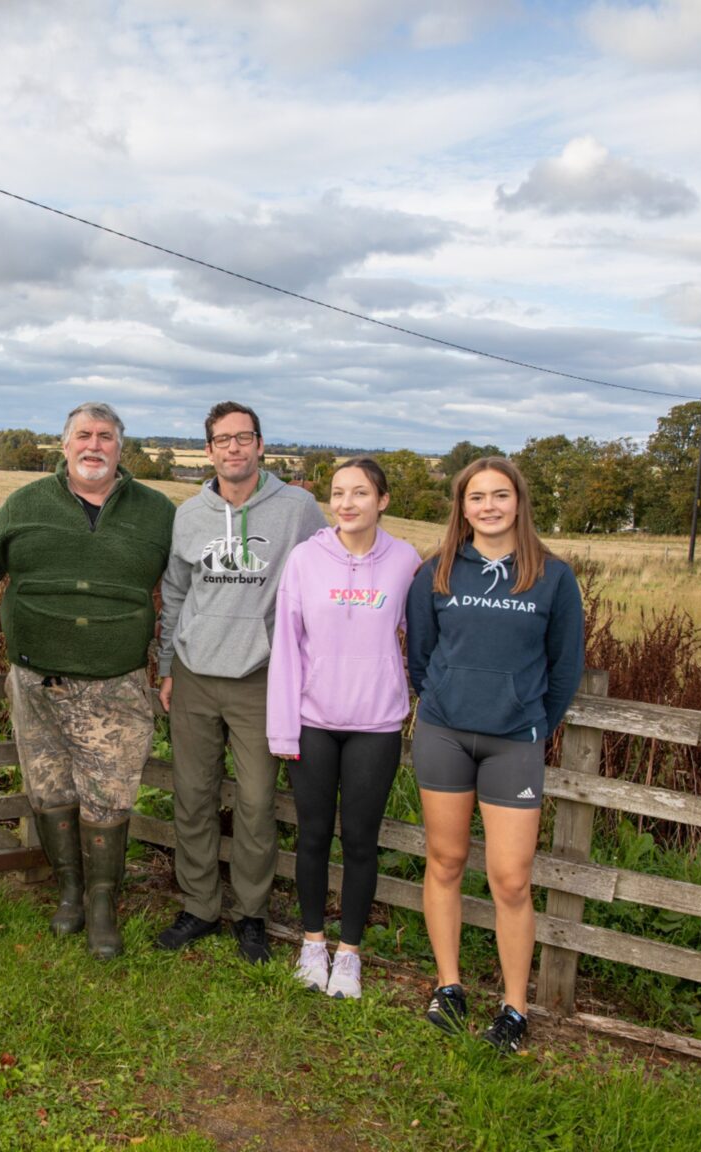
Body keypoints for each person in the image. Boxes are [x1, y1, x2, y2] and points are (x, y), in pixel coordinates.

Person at [0, 401, 174, 959]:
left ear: (120, 448)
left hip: (117, 684)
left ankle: (104, 903)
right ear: (64, 445)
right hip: (36, 682)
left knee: (109, 795)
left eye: (106, 437)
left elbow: (184, 588)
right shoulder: (26, 503)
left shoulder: (157, 513)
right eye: (84, 435)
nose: (94, 446)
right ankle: (71, 892)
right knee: (49, 787)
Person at [406, 456, 583, 1053]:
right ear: (461, 507)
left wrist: (527, 719)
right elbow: (421, 659)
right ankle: (449, 986)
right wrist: (449, 701)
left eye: (499, 495)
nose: (488, 506)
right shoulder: (436, 572)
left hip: (514, 743)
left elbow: (565, 670)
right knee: (446, 861)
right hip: (444, 736)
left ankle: (514, 1006)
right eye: (475, 497)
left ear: (518, 502)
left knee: (510, 880)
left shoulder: (553, 577)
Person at [155, 401, 327, 963]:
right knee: (193, 796)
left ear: (259, 445)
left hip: (262, 679)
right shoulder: (190, 515)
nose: (234, 448)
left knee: (255, 803)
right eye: (223, 440)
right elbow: (176, 593)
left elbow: (325, 572)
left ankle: (251, 914)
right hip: (195, 674)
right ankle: (200, 906)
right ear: (208, 450)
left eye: (244, 438)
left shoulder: (298, 509)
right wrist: (166, 666)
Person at [267, 457, 421, 998]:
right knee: (311, 836)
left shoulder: (405, 561)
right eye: (338, 493)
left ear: (382, 500)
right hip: (312, 722)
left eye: (360, 492)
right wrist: (283, 730)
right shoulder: (306, 560)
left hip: (375, 725)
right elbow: (286, 646)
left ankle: (349, 954)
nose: (347, 503)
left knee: (359, 841)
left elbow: (420, 640)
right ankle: (312, 944)